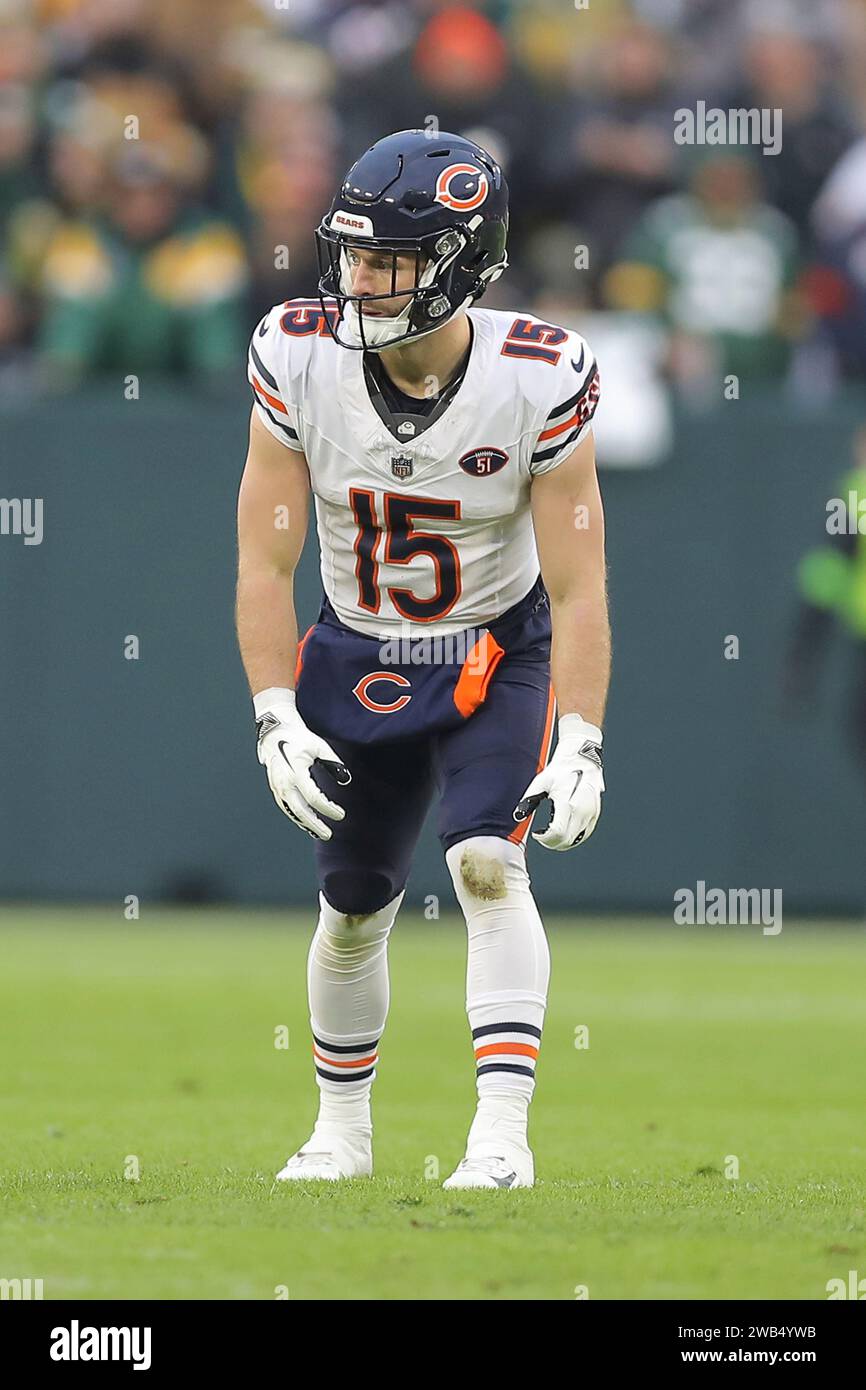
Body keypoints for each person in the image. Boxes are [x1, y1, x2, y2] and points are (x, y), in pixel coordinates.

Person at [235, 129, 610, 1190]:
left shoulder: (536, 375)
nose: (359, 279)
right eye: (353, 254)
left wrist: (580, 736)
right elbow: (263, 563)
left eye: (389, 259)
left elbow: (580, 581)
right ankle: (340, 1132)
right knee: (352, 901)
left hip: (494, 645)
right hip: (354, 643)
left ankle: (499, 1137)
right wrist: (272, 710)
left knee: (485, 862)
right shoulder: (295, 352)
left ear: (460, 262)